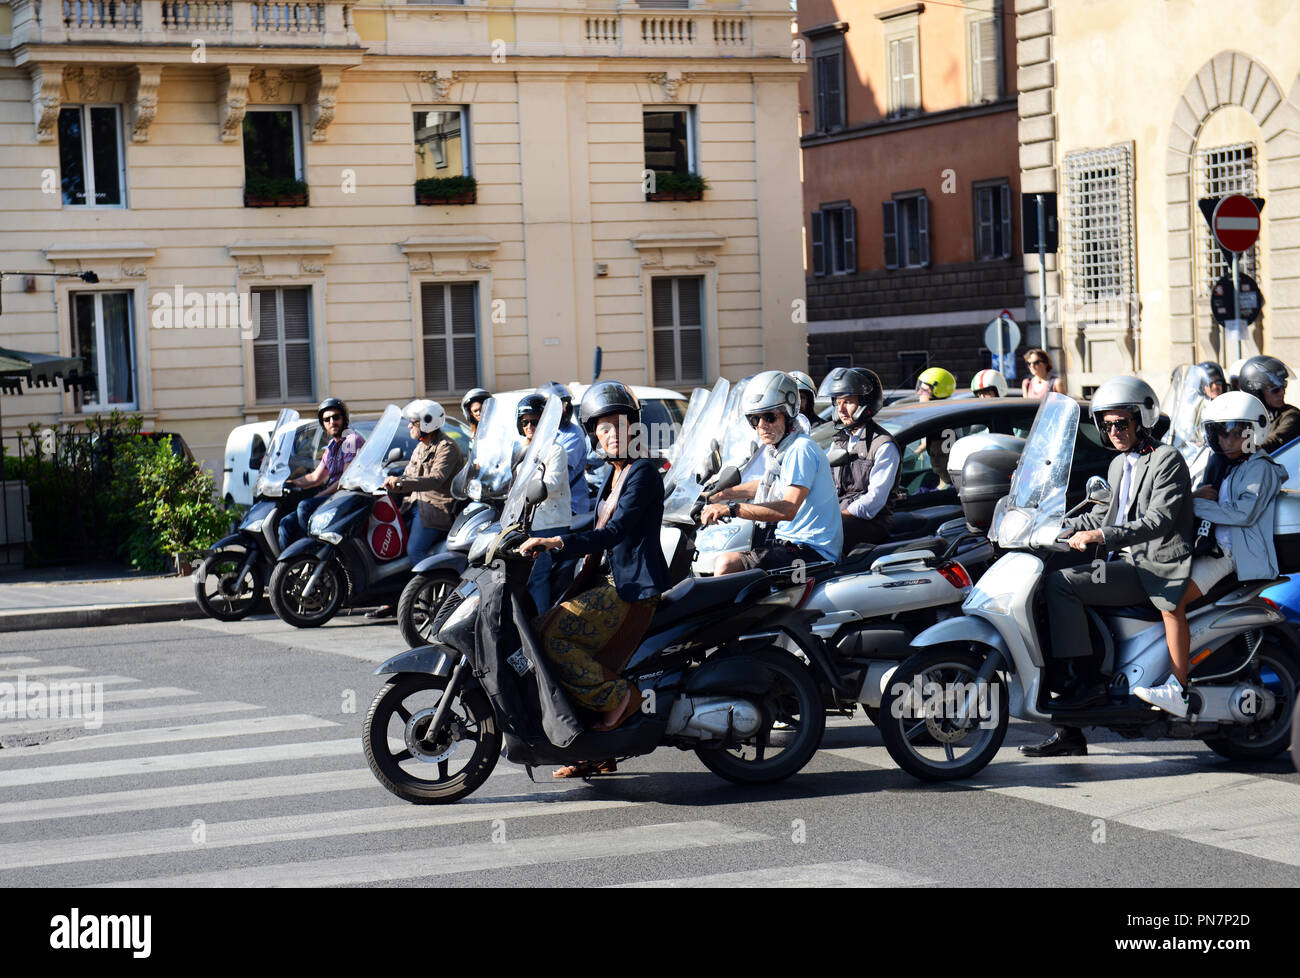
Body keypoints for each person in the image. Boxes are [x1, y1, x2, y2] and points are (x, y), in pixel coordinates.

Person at [1022, 377, 1194, 757]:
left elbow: (1157, 521)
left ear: (1142, 420)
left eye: (1121, 423)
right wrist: (1051, 526)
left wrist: (1100, 535)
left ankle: (1086, 682)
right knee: (1046, 596)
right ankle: (1070, 728)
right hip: (1123, 561)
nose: (1114, 431)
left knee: (1063, 584)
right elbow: (1104, 514)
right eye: (1107, 424)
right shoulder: (1118, 464)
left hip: (1154, 564)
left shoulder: (1166, 459)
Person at [520, 382, 670, 778]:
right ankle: (595, 747)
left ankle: (619, 697)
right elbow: (594, 520)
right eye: (604, 428)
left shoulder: (642, 472)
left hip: (631, 589)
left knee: (550, 638)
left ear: (633, 427)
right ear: (595, 435)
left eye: (619, 425)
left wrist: (557, 542)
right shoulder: (616, 472)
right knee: (538, 630)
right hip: (606, 581)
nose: (612, 434)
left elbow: (613, 532)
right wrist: (536, 530)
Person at [1133, 391, 1286, 715]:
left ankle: (1177, 688)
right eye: (1220, 433)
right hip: (1208, 547)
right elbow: (1203, 500)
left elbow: (1243, 513)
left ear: (1253, 432)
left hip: (1229, 555)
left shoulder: (1261, 468)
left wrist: (1191, 504)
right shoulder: (1224, 464)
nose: (1225, 440)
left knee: (1171, 600)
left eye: (1234, 433)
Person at [701, 371, 843, 574]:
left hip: (812, 552)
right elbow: (769, 484)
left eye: (769, 417)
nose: (761, 425)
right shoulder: (783, 449)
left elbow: (788, 508)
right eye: (754, 419)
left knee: (726, 564)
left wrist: (731, 509)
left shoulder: (800, 449)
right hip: (790, 543)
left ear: (788, 413)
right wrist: (719, 494)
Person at [367, 399, 465, 618]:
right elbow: (409, 474)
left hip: (436, 508)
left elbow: (435, 479)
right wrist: (383, 479)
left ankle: (429, 602)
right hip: (415, 504)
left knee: (414, 550)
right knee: (390, 545)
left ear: (428, 422)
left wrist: (401, 483)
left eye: (414, 422)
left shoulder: (447, 447)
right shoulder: (421, 447)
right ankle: (393, 599)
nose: (410, 426)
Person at [819, 367, 901, 551]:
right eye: (838, 403)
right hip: (839, 517)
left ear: (866, 402)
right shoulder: (839, 441)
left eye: (848, 402)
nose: (841, 410)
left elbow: (874, 501)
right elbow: (825, 483)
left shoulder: (883, 445)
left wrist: (837, 517)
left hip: (869, 524)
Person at [278, 397, 366, 550]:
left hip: (347, 497)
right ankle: (288, 562)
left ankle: (314, 553)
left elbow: (344, 481)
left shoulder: (351, 440)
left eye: (336, 417)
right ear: (323, 424)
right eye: (327, 419)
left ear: (344, 419)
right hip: (334, 497)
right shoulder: (332, 445)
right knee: (286, 523)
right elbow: (315, 477)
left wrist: (320, 495)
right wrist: (288, 483)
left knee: (305, 507)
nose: (332, 422)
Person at [514, 392, 572, 613]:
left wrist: (525, 490)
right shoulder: (522, 450)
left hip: (549, 521)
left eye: (534, 421)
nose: (529, 426)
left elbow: (551, 484)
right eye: (525, 422)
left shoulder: (555, 450)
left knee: (536, 577)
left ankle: (541, 624)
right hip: (527, 521)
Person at [537, 381, 592, 516]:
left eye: (564, 404)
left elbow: (558, 473)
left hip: (569, 507)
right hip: (545, 504)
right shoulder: (542, 433)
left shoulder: (573, 434)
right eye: (557, 406)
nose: (564, 410)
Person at [1237, 355, 1300, 453]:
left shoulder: (1291, 415)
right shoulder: (1245, 420)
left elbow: (1276, 440)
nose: (1282, 393)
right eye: (1275, 390)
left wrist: (1243, 451)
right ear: (1257, 393)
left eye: (1284, 386)